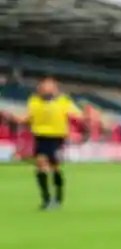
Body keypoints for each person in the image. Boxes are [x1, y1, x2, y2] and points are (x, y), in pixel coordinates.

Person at [22, 77, 81, 210]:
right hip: (40, 136)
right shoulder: (34, 101)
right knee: (41, 165)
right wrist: (14, 117)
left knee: (54, 167)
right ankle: (46, 198)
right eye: (43, 87)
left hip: (56, 137)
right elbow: (27, 117)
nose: (45, 89)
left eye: (49, 87)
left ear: (55, 89)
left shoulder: (64, 101)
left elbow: (77, 115)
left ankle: (58, 197)